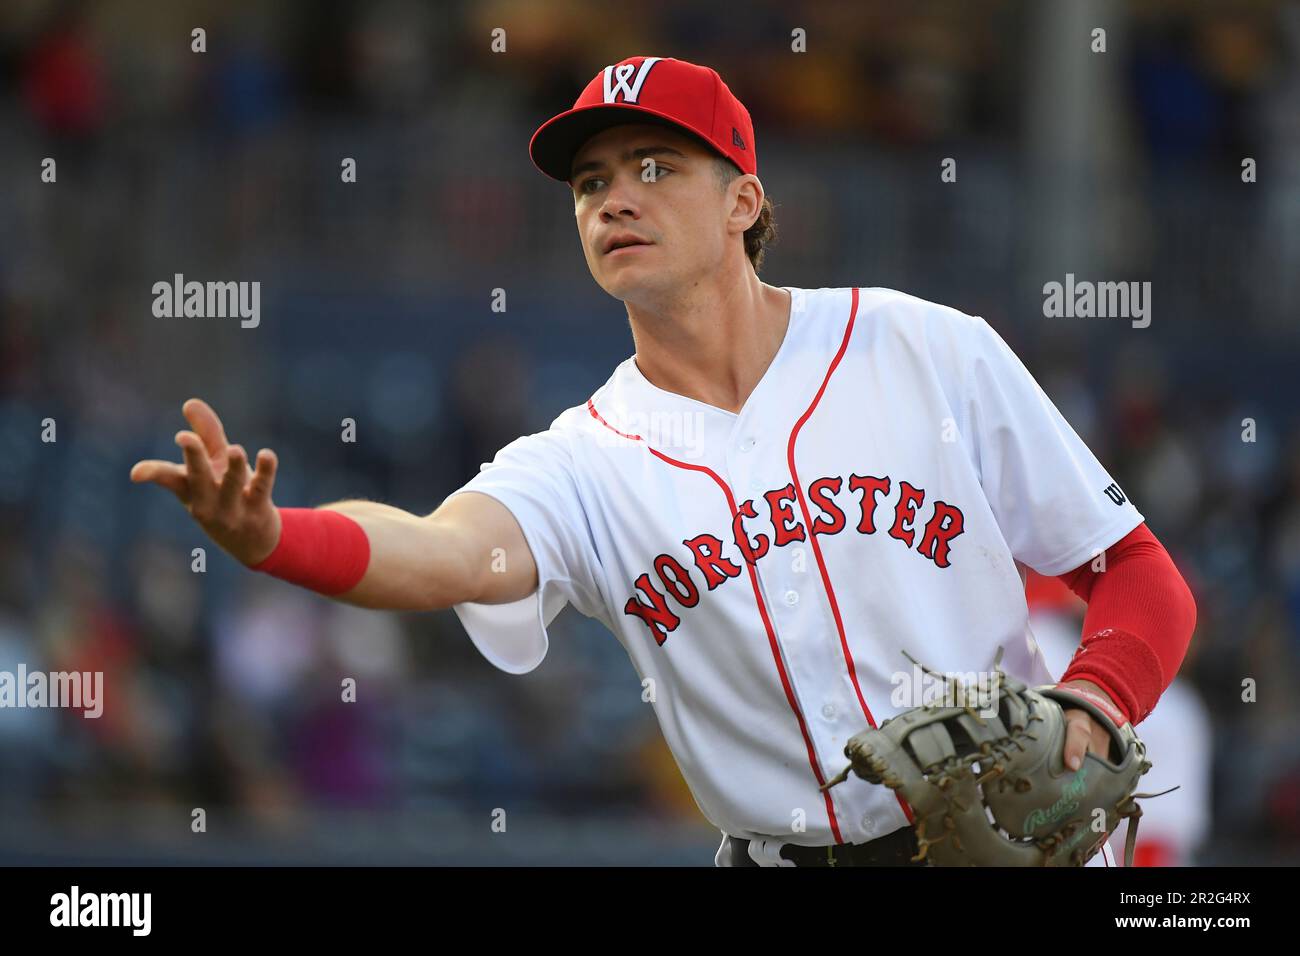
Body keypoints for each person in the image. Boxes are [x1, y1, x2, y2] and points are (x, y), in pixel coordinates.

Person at [130, 56, 1198, 867]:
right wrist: (275, 537)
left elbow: (1138, 573)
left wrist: (1097, 695)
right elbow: (444, 550)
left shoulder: (925, 347)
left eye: (654, 166)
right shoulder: (585, 460)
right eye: (590, 181)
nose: (613, 198)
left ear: (744, 200)